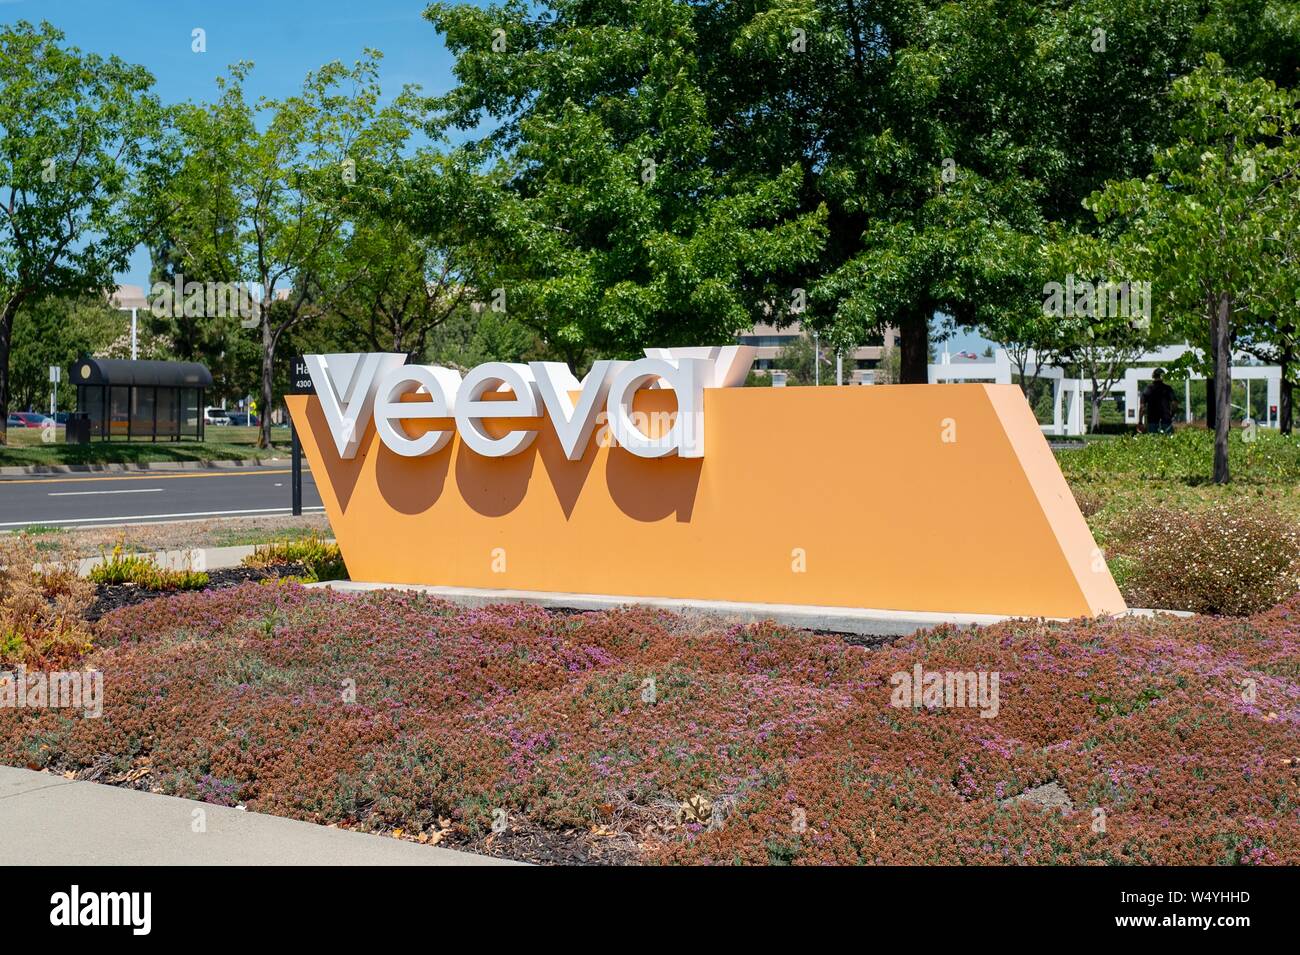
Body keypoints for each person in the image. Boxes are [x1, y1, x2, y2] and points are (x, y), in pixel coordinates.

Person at [1139, 369, 1175, 434]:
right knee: (1169, 442)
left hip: (1152, 422)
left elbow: (1142, 407)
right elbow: (1174, 404)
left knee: (1153, 442)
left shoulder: (1147, 389)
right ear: (1163, 377)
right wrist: (1171, 415)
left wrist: (1140, 422)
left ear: (1153, 376)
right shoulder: (1168, 389)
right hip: (1166, 421)